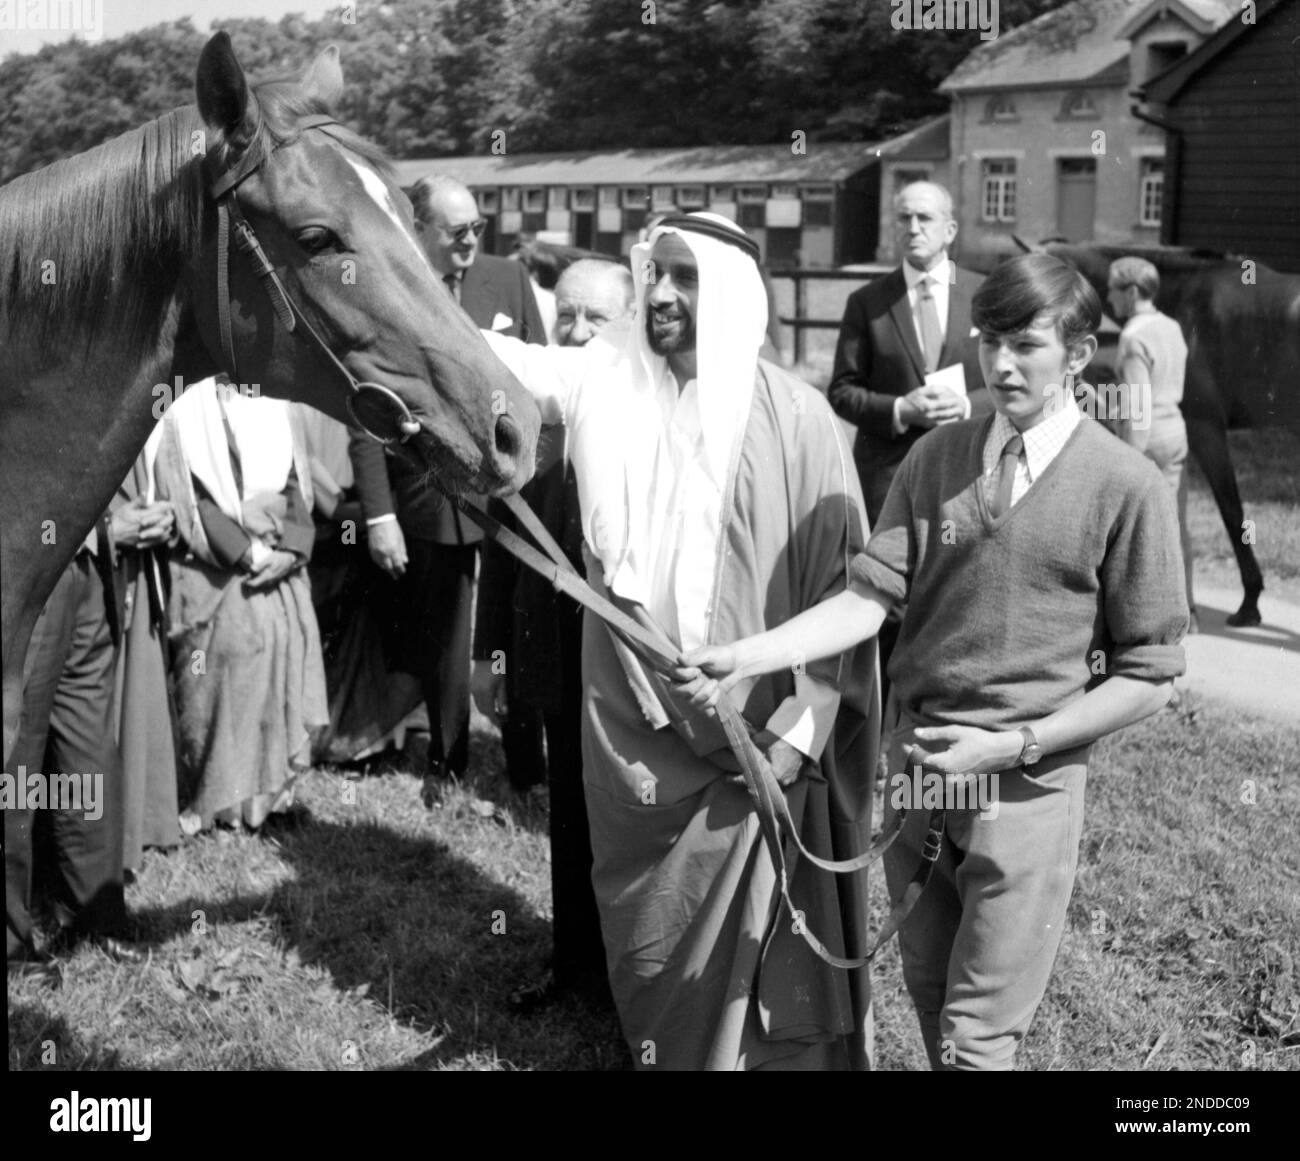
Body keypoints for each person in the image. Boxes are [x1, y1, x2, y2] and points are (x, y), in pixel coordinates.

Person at [679, 254, 1189, 1071]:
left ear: (1080, 355)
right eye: (990, 341)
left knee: (975, 1042)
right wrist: (743, 654)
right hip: (918, 779)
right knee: (928, 1001)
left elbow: (1153, 678)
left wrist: (1013, 746)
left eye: (1026, 345)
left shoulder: (1125, 485)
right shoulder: (934, 460)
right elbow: (864, 603)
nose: (1000, 364)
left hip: (1026, 788)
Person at [483, 212, 877, 1071]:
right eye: (652, 273)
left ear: (730, 293)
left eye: (683, 276)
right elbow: (493, 363)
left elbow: (845, 593)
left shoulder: (800, 421)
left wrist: (801, 735)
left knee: (764, 952)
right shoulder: (605, 383)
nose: (658, 293)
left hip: (762, 734)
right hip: (629, 721)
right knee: (656, 936)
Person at [350, 175, 547, 805]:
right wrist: (378, 515)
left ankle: (526, 765)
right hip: (434, 495)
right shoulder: (389, 288)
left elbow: (545, 375)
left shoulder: (508, 280)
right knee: (447, 632)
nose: (470, 242)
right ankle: (448, 759)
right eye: (457, 231)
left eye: (477, 229)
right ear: (419, 229)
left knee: (518, 620)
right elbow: (366, 411)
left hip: (512, 487)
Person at [473, 258, 635, 1011]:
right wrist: (489, 660)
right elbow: (501, 557)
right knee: (567, 822)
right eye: (563, 315)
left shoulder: (646, 427)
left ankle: (639, 976)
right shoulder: (527, 427)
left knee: (628, 825)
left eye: (593, 318)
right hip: (554, 667)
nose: (573, 331)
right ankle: (574, 961)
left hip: (631, 677)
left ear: (627, 324)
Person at [828, 181, 990, 709]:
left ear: (950, 229)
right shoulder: (868, 302)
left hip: (969, 466)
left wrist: (966, 407)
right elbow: (842, 391)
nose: (913, 228)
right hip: (888, 474)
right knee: (887, 596)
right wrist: (900, 409)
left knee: (958, 590)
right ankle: (879, 725)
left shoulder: (985, 295)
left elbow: (1017, 383)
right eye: (903, 218)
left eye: (924, 218)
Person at [154, 376, 327, 833]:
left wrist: (292, 548)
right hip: (215, 563)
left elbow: (296, 481)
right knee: (228, 662)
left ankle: (272, 800)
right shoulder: (184, 407)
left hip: (279, 558)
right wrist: (248, 553)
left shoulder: (277, 398)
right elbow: (191, 495)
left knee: (285, 651)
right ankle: (223, 804)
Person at [6, 519, 144, 970]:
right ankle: (10, 945)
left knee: (88, 747)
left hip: (86, 558)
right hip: (25, 562)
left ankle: (93, 914)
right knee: (16, 762)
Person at [1107, 256, 1196, 630]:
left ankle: (1150, 614)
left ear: (1130, 292)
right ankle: (1187, 610)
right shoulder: (1171, 325)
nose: (1108, 298)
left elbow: (1138, 407)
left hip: (1148, 437)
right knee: (1176, 521)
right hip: (1176, 430)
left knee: (1143, 528)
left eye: (1113, 289)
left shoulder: (1132, 336)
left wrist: (1131, 460)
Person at [109, 433, 181, 872]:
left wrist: (164, 518)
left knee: (138, 694)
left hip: (139, 567)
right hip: (93, 565)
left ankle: (139, 826)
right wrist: (112, 531)